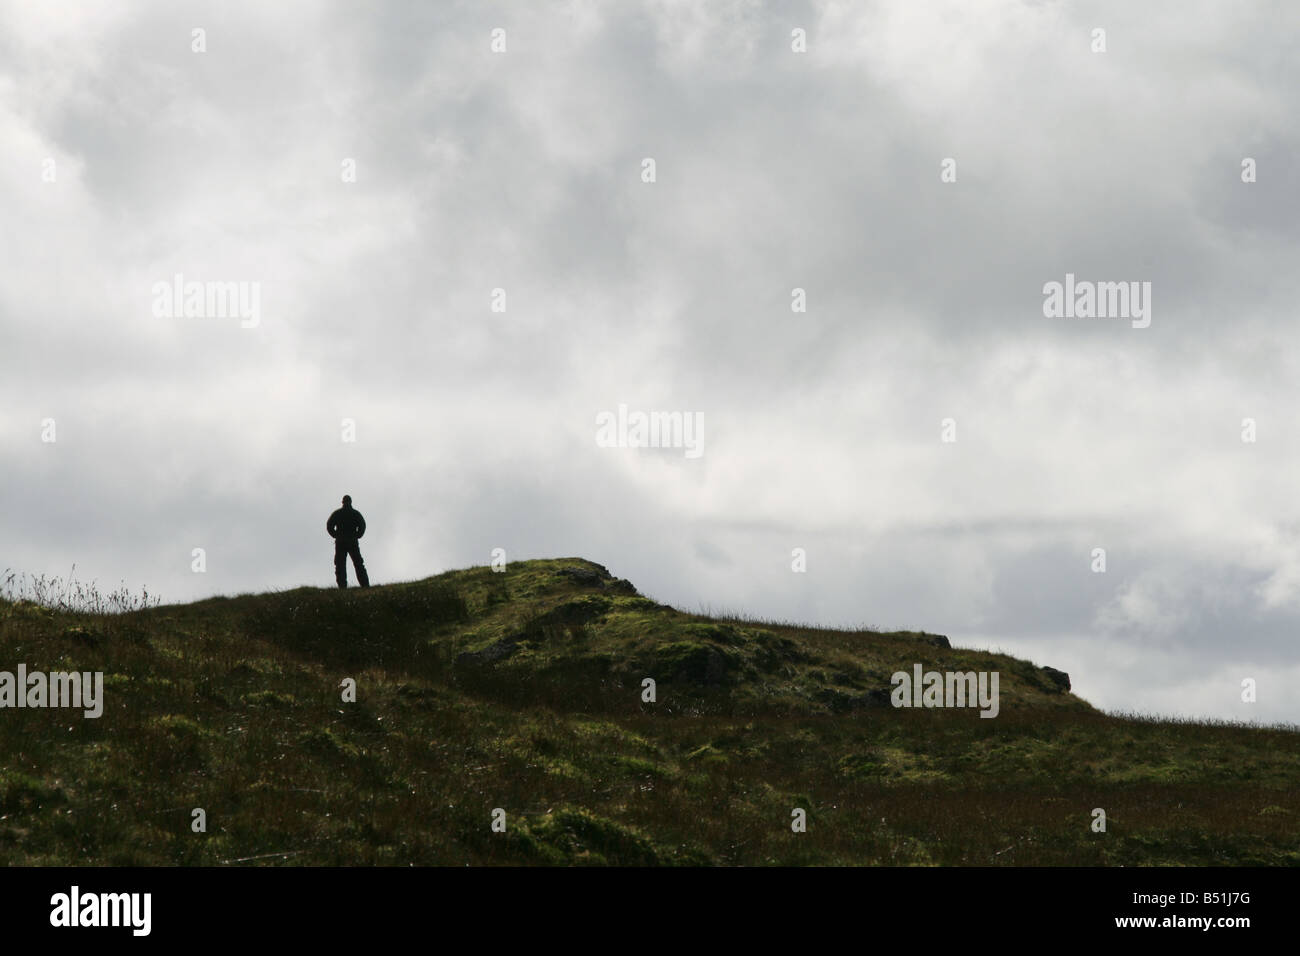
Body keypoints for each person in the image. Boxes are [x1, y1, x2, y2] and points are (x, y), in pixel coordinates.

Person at [326, 495, 370, 588]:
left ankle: (343, 586)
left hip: (342, 542)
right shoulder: (355, 513)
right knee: (355, 564)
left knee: (341, 565)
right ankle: (364, 585)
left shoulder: (338, 513)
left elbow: (329, 526)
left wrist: (336, 535)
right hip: (351, 541)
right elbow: (362, 525)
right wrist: (358, 535)